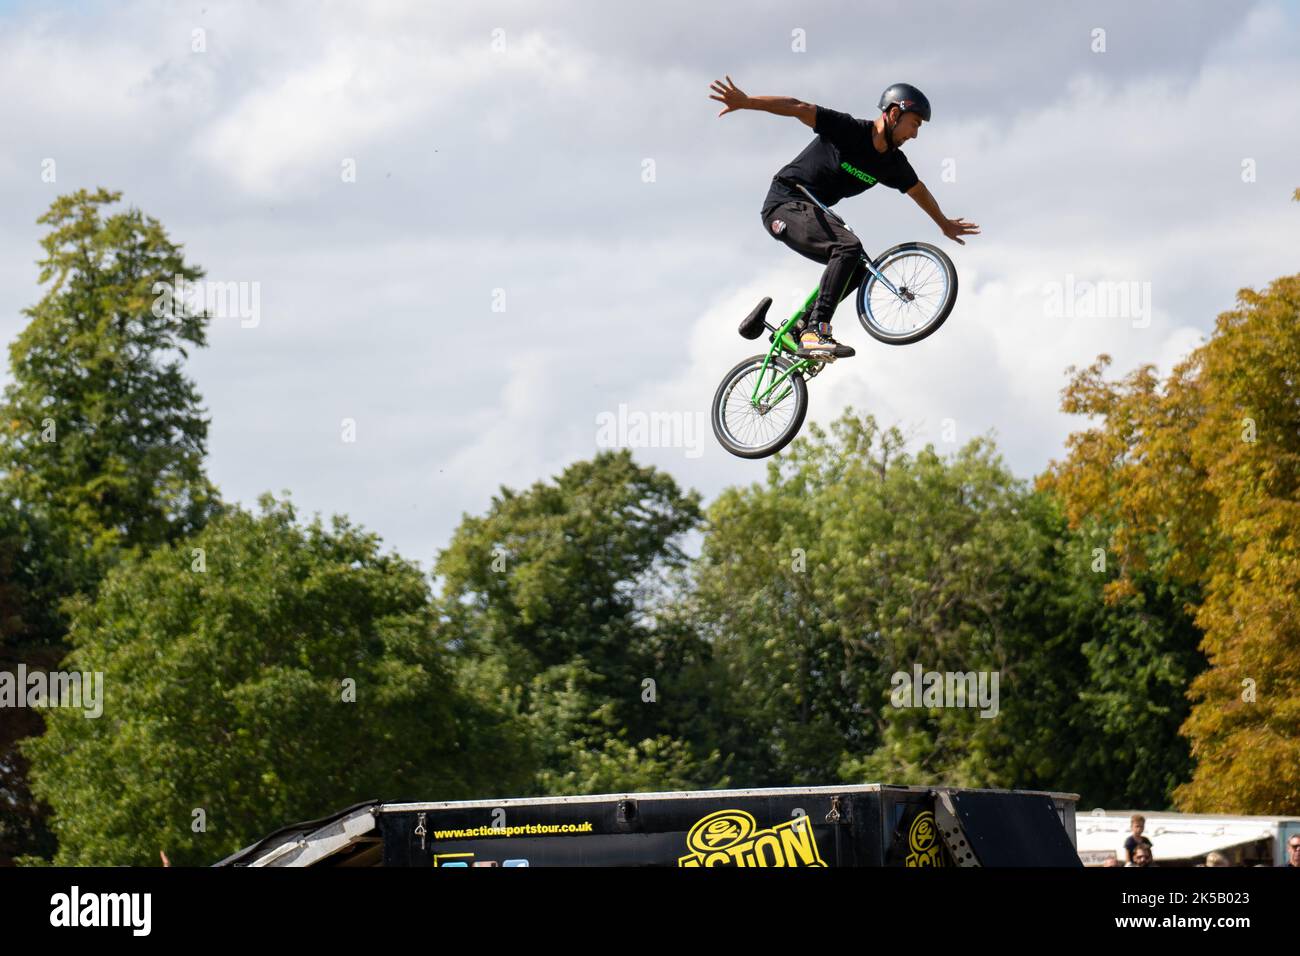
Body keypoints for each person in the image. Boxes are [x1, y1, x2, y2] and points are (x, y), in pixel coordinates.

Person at [708, 76, 978, 360]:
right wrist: (747, 102)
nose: (915, 135)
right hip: (784, 203)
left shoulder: (892, 164)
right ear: (895, 114)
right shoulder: (849, 130)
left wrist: (943, 223)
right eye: (915, 124)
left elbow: (917, 190)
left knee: (858, 267)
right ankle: (816, 331)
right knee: (847, 246)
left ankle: (797, 329)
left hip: (811, 209)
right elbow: (798, 107)